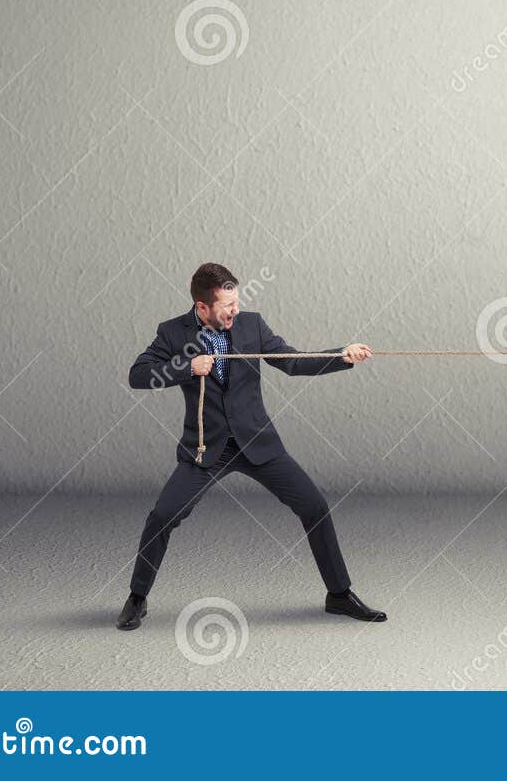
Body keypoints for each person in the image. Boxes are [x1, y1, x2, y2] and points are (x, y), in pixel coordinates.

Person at [114, 262, 385, 630]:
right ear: (202, 307)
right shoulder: (173, 332)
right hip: (206, 450)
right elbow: (138, 375)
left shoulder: (251, 325)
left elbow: (292, 361)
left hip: (257, 442)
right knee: (162, 516)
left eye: (237, 302)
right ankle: (137, 597)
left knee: (315, 506)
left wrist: (341, 355)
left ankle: (339, 594)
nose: (235, 310)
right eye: (227, 305)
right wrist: (186, 367)